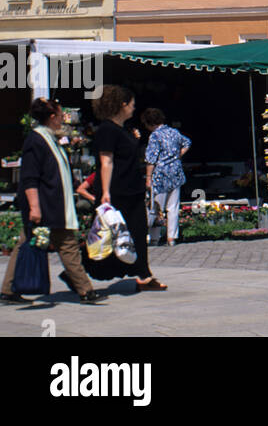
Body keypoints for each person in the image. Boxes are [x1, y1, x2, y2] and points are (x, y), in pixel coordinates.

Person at [2, 99, 101, 305]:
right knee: (67, 245)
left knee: (28, 243)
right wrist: (35, 207)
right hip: (47, 205)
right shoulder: (36, 140)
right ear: (52, 117)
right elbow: (29, 177)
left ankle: (9, 289)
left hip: (54, 204)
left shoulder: (50, 138)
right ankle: (84, 289)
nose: (63, 117)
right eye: (60, 113)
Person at [86, 85, 166, 292]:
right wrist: (105, 192)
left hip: (132, 190)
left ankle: (143, 275)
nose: (133, 109)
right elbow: (106, 162)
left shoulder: (124, 130)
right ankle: (76, 270)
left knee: (138, 233)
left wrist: (135, 139)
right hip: (116, 192)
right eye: (131, 105)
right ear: (122, 105)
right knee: (109, 235)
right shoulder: (106, 130)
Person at [142, 108, 191, 247]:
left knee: (156, 207)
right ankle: (171, 237)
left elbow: (151, 159)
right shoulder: (174, 132)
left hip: (160, 174)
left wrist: (148, 177)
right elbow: (187, 142)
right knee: (173, 207)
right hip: (175, 172)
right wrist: (177, 156)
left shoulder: (155, 136)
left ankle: (154, 238)